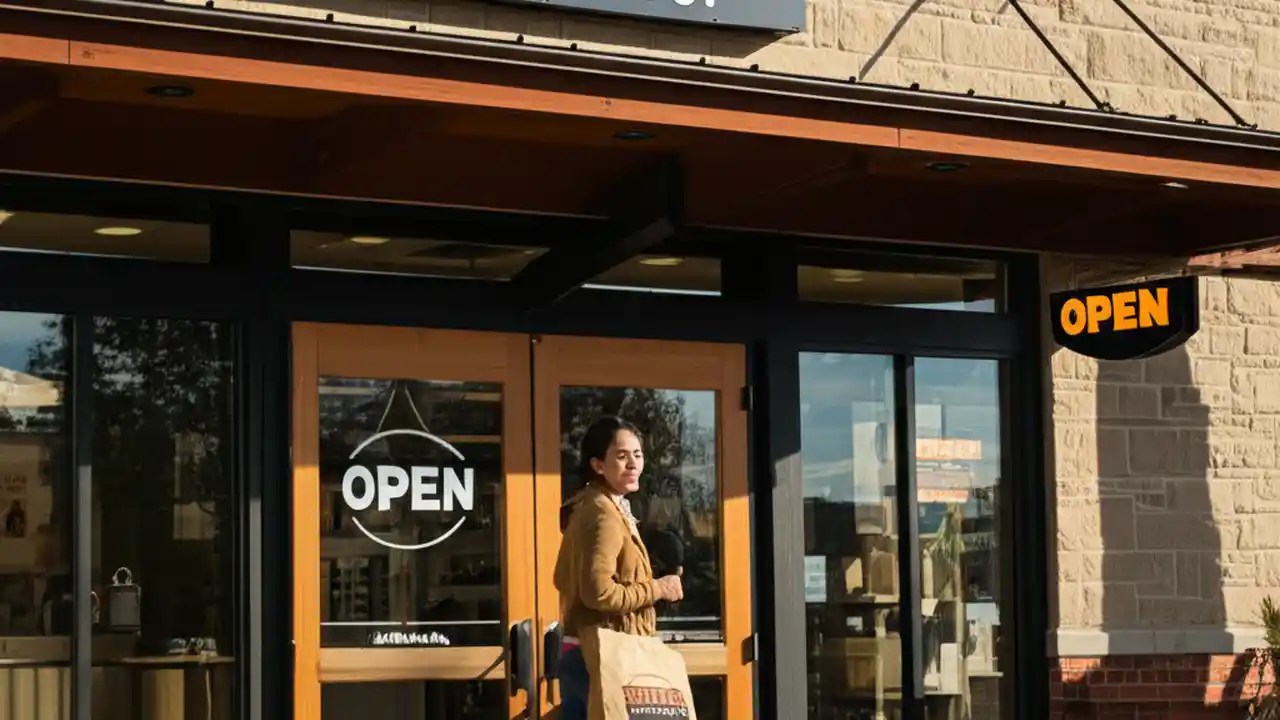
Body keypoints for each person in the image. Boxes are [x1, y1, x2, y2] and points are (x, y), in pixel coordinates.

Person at [553, 416, 684, 720]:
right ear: (598, 465)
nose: (633, 464)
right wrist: (658, 588)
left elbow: (561, 578)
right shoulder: (603, 514)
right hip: (600, 658)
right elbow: (598, 593)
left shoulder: (598, 506)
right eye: (622, 456)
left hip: (589, 653)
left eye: (637, 455)